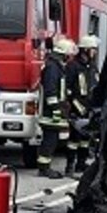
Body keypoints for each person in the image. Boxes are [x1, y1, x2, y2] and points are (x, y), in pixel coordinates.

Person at [36, 36, 74, 179]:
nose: (70, 57)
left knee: (52, 139)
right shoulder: (52, 67)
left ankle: (45, 167)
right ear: (63, 54)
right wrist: (56, 109)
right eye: (68, 54)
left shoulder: (56, 66)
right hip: (50, 111)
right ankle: (44, 169)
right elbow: (51, 90)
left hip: (54, 109)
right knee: (50, 140)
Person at [66, 34, 100, 175]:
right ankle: (69, 166)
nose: (95, 52)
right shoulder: (73, 66)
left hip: (90, 107)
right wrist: (76, 107)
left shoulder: (92, 66)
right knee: (74, 140)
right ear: (85, 50)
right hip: (77, 108)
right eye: (93, 49)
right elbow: (67, 90)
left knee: (85, 140)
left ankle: (81, 164)